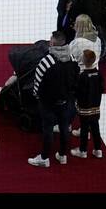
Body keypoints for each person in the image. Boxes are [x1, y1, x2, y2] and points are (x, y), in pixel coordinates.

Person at [28, 31, 79, 168]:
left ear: (52, 43)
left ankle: (44, 157)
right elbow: (76, 78)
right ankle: (63, 155)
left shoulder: (46, 61)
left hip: (48, 103)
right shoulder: (73, 58)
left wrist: (39, 98)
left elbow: (37, 83)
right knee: (64, 128)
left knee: (48, 130)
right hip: (66, 102)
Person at [71, 49, 105, 160]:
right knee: (96, 128)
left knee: (84, 129)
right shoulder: (99, 74)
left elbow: (77, 91)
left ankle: (83, 150)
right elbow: (102, 88)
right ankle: (98, 150)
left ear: (83, 61)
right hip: (96, 107)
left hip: (84, 107)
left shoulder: (82, 76)